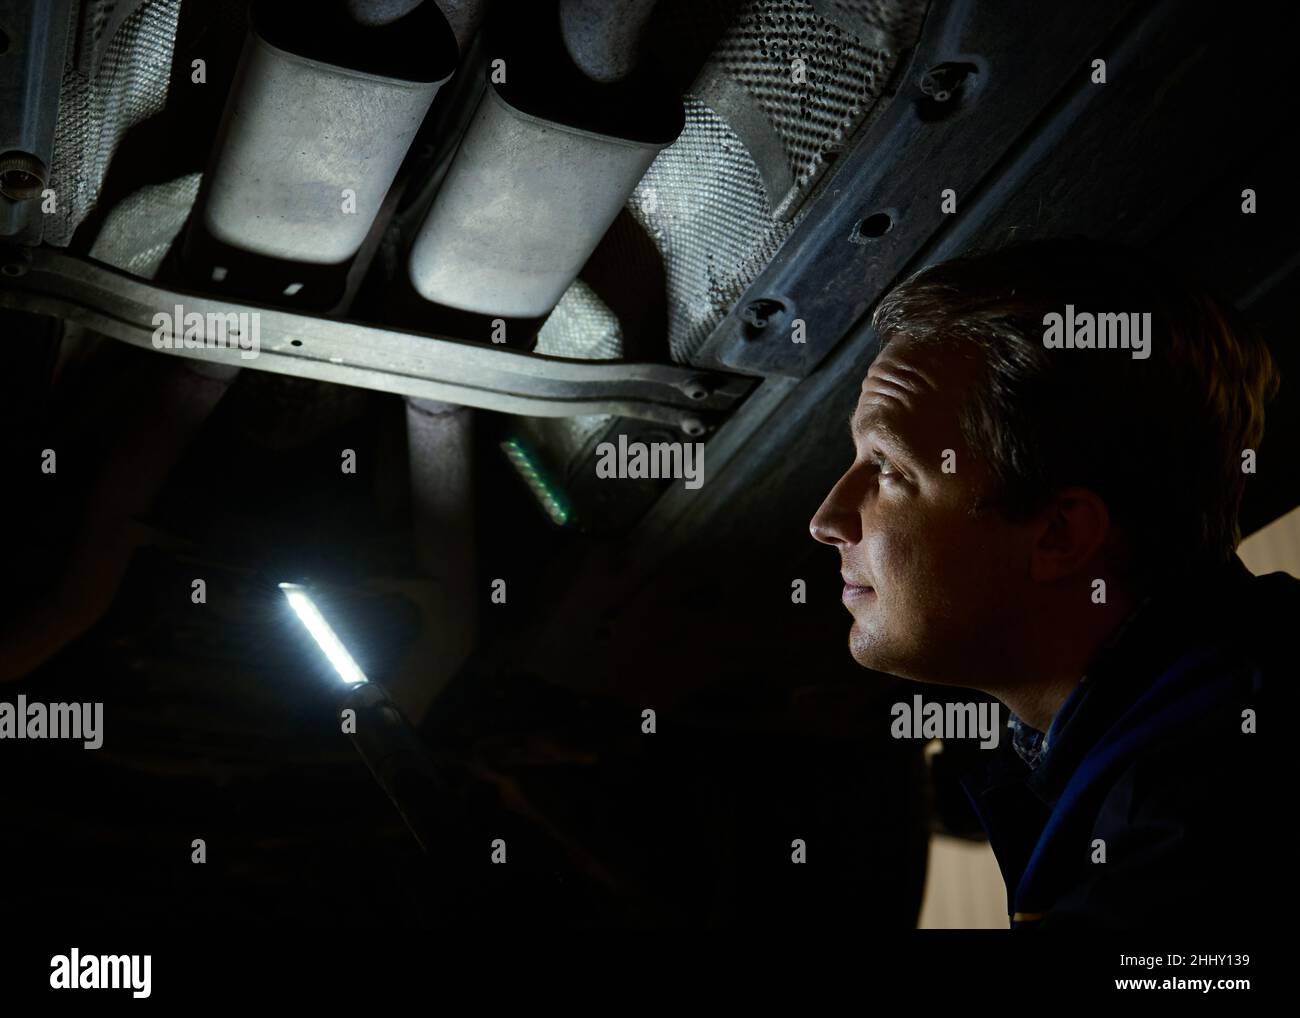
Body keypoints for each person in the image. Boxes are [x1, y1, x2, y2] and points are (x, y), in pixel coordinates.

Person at [809, 239, 1295, 928]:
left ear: (1060, 535)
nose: (826, 519)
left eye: (888, 469)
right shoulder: (1181, 714)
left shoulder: (1195, 838)